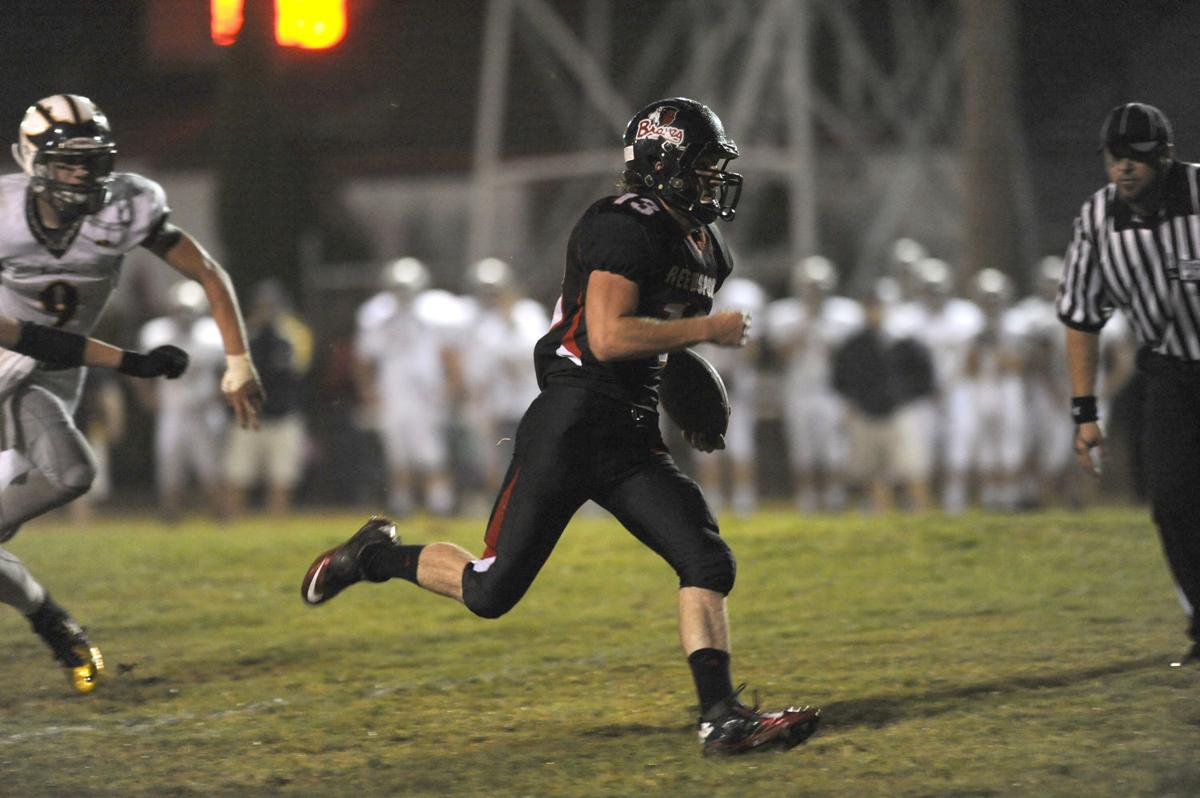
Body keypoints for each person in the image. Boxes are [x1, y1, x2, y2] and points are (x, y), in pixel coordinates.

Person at [302, 97, 821, 756]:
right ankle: (372, 556)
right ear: (664, 165)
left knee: (706, 559)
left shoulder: (707, 249)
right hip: (573, 419)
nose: (715, 181)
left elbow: (656, 337)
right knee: (489, 591)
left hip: (630, 430)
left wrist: (688, 389)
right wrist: (706, 331)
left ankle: (720, 718)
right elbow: (606, 336)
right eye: (703, 166)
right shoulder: (623, 222)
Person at [0, 93, 264, 693]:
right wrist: (131, 361)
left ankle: (48, 616)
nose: (82, 176)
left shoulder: (124, 206)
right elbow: (24, 334)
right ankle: (52, 621)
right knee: (72, 471)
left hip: (50, 374)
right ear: (31, 160)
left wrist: (238, 360)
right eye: (67, 163)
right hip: (24, 355)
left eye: (91, 162)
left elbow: (206, 271)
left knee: (68, 474)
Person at [1057, 102, 1200, 667]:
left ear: (1164, 155)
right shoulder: (1096, 220)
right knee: (1170, 501)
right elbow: (1081, 317)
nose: (1124, 167)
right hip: (1169, 374)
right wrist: (1084, 412)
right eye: (1115, 157)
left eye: (1137, 156)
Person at [352, 256, 465, 517]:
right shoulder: (376, 314)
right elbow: (364, 357)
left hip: (426, 393)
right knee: (397, 454)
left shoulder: (437, 311)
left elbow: (448, 352)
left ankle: (440, 504)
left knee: (431, 452)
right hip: (392, 392)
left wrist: (452, 384)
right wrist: (368, 390)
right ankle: (402, 505)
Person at [766, 256, 863, 512]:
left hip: (832, 389)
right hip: (799, 389)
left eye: (818, 287)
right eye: (810, 287)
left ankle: (835, 495)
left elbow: (852, 360)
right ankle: (807, 497)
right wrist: (803, 327)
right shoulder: (786, 315)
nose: (814, 293)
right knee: (803, 449)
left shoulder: (845, 316)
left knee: (835, 449)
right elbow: (782, 357)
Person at [136, 280, 229, 522]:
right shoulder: (156, 333)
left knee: (211, 468)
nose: (184, 315)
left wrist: (221, 394)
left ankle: (221, 516)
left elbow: (229, 370)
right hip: (172, 410)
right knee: (169, 467)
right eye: (179, 309)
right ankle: (171, 517)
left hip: (205, 410)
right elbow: (138, 370)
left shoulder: (213, 333)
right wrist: (148, 398)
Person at [223, 279, 312, 518]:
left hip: (282, 415)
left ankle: (275, 528)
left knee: (282, 478)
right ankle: (234, 528)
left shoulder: (293, 334)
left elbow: (297, 371)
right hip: (250, 415)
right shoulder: (243, 335)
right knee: (238, 476)